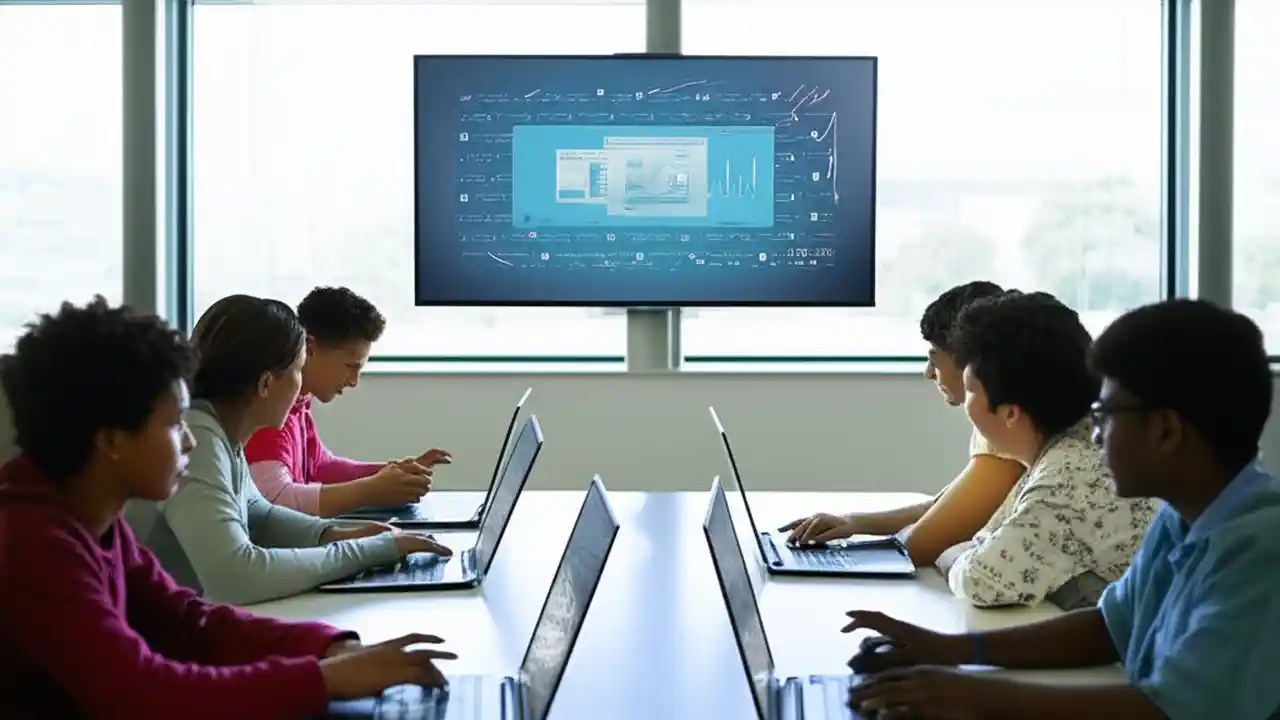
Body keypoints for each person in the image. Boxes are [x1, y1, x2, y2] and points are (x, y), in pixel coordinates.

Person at [0, 297, 455, 718]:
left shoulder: (94, 524)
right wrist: (325, 679)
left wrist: (330, 648)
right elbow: (141, 690)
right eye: (174, 424)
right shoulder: (35, 547)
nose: (189, 441)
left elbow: (189, 619)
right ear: (111, 441)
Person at [843, 299, 1279, 720]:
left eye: (1106, 414)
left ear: (1165, 430)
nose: (1095, 436)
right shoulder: (1184, 516)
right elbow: (1109, 628)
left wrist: (972, 695)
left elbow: (1167, 711)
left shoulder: (1261, 551)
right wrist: (945, 649)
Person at [125, 294, 450, 605]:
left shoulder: (220, 429)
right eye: (298, 370)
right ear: (266, 384)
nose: (300, 387)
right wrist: (369, 551)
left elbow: (259, 515)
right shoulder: (198, 442)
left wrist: (336, 535)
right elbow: (237, 577)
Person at [927, 290, 1155, 608]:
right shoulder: (1070, 447)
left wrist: (952, 557)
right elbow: (985, 538)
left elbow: (980, 579)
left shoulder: (1069, 475)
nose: (966, 404)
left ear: (1010, 413)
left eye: (970, 390)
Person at [781, 281, 1027, 566]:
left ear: (970, 363)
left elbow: (922, 545)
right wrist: (852, 523)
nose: (928, 373)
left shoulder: (1005, 431)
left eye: (935, 360)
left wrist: (855, 552)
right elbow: (941, 508)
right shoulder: (1002, 419)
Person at [244, 286, 451, 517]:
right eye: (350, 366)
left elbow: (320, 467)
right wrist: (369, 491)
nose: (354, 381)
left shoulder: (300, 404)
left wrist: (393, 474)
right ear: (309, 349)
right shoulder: (271, 409)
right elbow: (274, 500)